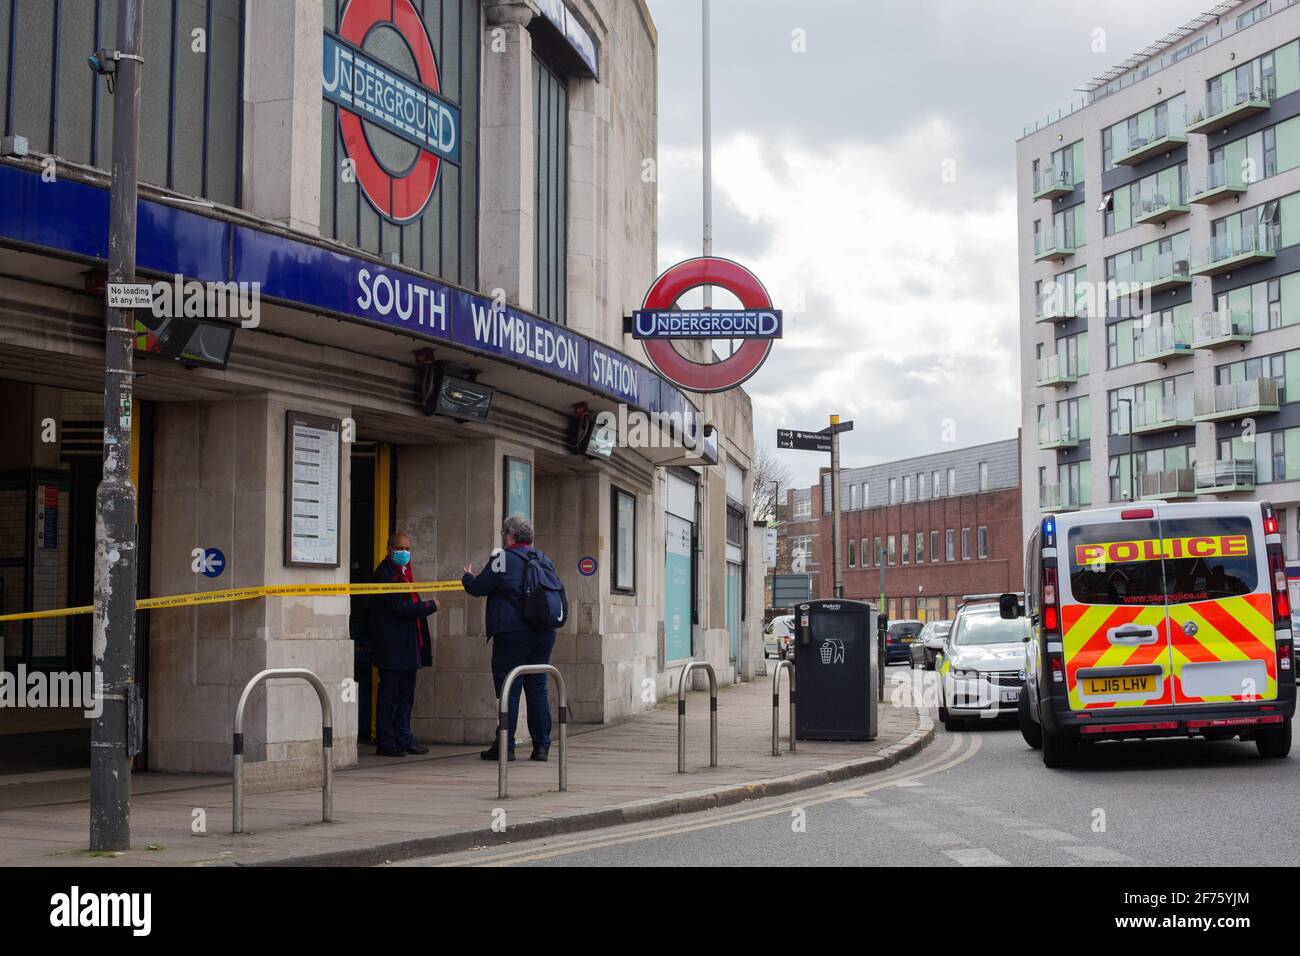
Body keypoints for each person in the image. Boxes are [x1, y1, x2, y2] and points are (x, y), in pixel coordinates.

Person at [462, 515, 557, 762]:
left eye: (505, 533)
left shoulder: (502, 558)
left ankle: (506, 745)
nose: (503, 537)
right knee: (538, 690)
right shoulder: (544, 558)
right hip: (544, 633)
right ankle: (542, 746)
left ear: (510, 536)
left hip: (512, 633)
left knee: (509, 689)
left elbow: (479, 587)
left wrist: (467, 577)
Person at [370, 532, 438, 757]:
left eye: (408, 549)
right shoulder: (384, 575)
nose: (405, 553)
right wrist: (430, 606)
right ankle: (386, 742)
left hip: (409, 645)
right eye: (401, 548)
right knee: (389, 697)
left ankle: (404, 737)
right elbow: (400, 608)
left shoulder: (405, 573)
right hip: (392, 646)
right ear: (389, 549)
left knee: (406, 696)